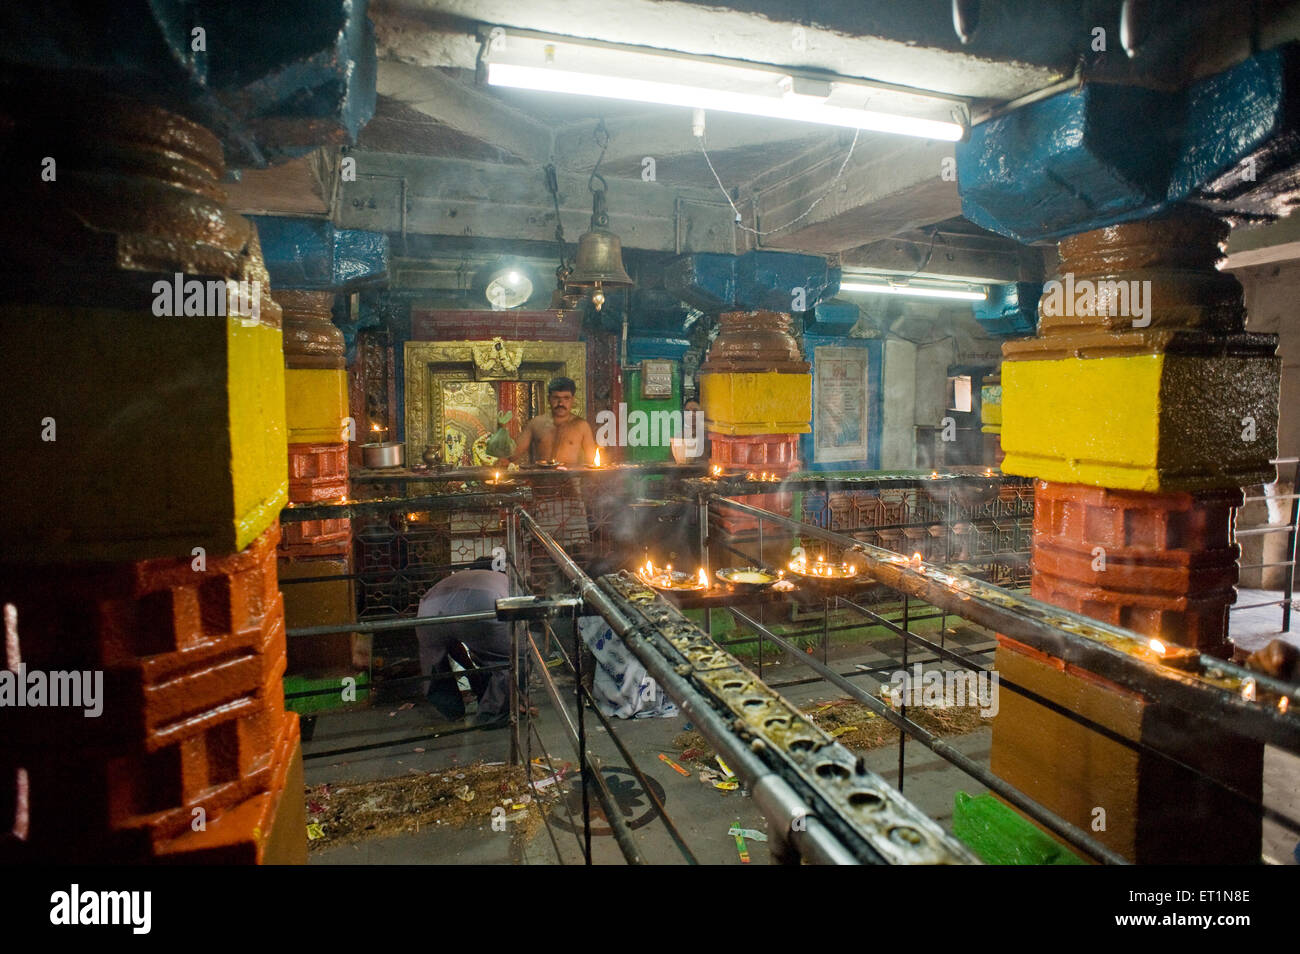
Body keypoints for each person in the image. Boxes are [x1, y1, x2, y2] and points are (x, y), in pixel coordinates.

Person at [414, 558, 516, 725]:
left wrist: (470, 669)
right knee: (508, 659)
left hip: (429, 607)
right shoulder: (505, 580)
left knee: (434, 663)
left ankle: (450, 711)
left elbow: (452, 641)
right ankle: (492, 716)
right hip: (483, 602)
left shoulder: (457, 577)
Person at [511, 376, 597, 466]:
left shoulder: (582, 426)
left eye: (566, 398)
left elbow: (593, 461)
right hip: (541, 478)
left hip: (570, 478)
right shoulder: (536, 423)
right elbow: (512, 454)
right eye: (556, 398)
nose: (561, 403)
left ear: (573, 400)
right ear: (549, 399)